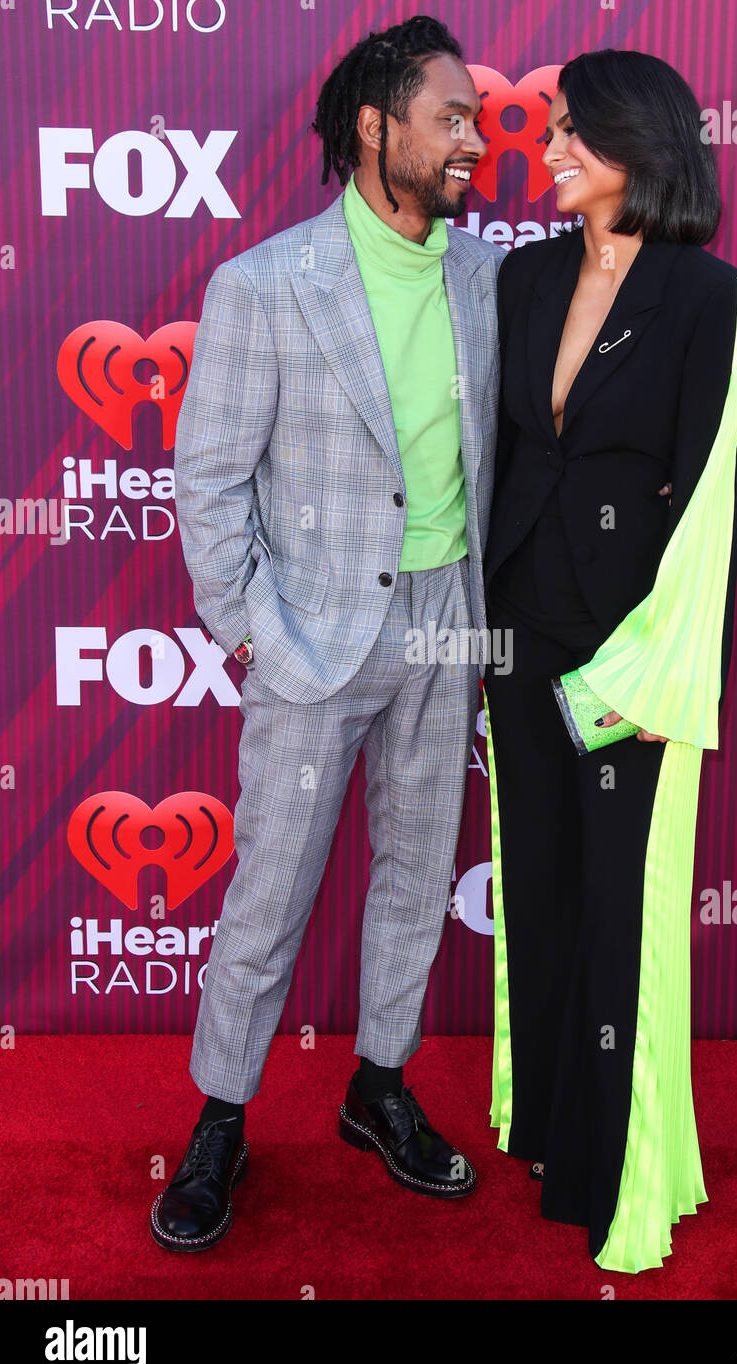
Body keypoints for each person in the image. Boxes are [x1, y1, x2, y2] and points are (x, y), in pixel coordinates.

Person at [153, 16, 503, 1252]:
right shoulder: (264, 284)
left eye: (476, 117)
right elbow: (208, 480)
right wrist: (250, 632)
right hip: (313, 630)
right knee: (273, 886)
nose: (474, 137)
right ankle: (222, 1117)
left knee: (418, 869)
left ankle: (379, 1087)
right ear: (375, 128)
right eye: (449, 117)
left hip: (445, 621)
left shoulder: (480, 272)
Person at [482, 49, 737, 1272]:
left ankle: (623, 1171)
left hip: (629, 651)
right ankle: (549, 1124)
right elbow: (497, 461)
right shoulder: (525, 275)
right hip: (520, 629)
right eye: (545, 130)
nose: (543, 150)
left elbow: (709, 501)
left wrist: (658, 675)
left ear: (635, 144)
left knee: (621, 917)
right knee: (535, 886)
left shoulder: (711, 295)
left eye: (566, 133)